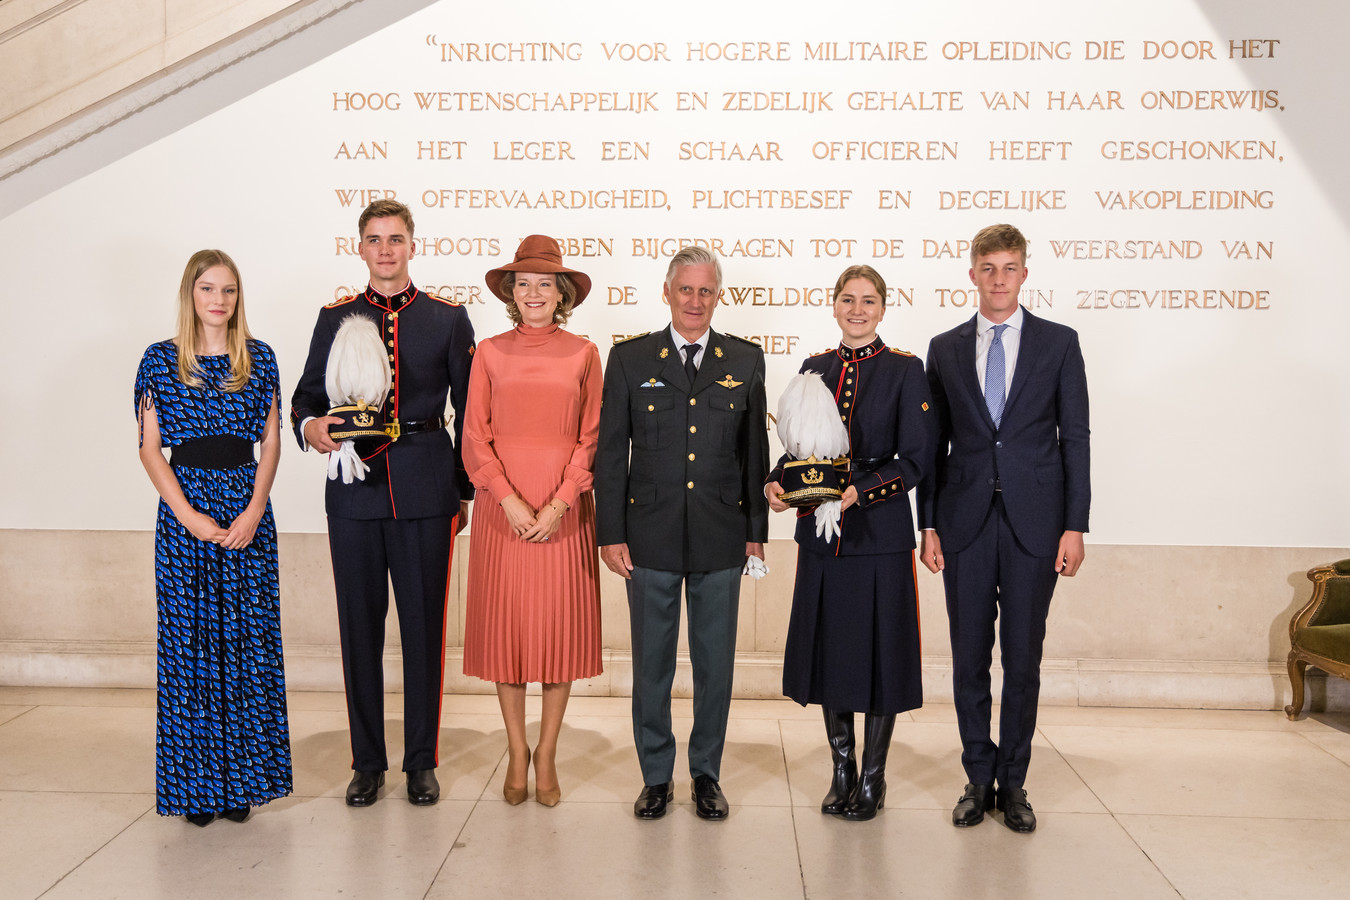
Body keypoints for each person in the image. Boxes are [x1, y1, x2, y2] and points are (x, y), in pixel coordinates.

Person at [290, 199, 475, 807]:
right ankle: (366, 762)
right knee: (359, 630)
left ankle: (421, 761)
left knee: (424, 631)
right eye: (375, 239)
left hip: (425, 489)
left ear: (412, 246)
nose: (386, 249)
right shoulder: (334, 318)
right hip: (354, 494)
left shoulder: (447, 319)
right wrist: (312, 428)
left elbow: (470, 413)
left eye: (396, 238)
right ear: (361, 248)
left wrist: (462, 491)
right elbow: (305, 399)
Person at [917, 223, 1090, 833]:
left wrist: (1075, 525)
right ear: (972, 274)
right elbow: (932, 444)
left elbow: (1076, 437)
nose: (998, 279)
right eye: (988, 268)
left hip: (1035, 526)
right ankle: (977, 776)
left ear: (1024, 273)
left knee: (1022, 660)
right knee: (968, 658)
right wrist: (928, 524)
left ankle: (1013, 782)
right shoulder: (944, 347)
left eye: (1009, 267)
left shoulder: (1059, 343)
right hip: (962, 523)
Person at [595, 246, 769, 821]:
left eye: (706, 291)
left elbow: (753, 453)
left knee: (716, 666)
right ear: (667, 292)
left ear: (718, 296)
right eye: (686, 289)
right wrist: (611, 532)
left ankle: (705, 774)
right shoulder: (629, 358)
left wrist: (756, 532)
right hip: (649, 535)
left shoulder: (744, 359)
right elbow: (610, 453)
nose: (696, 301)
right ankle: (655, 777)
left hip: (721, 535)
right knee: (652, 664)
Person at [765, 264, 934, 821]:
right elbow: (799, 448)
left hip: (879, 533)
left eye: (868, 301)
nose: (857, 310)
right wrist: (775, 481)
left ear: (883, 308)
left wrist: (861, 491)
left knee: (883, 653)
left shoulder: (906, 370)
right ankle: (842, 769)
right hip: (822, 535)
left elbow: (916, 460)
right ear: (834, 304)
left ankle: (873, 778)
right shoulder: (815, 366)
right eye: (848, 299)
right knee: (832, 650)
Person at [135, 249, 292, 827]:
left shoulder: (260, 357)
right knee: (190, 651)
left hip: (248, 511)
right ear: (190, 294)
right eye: (207, 289)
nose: (218, 300)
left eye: (228, 290)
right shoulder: (159, 360)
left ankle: (242, 784)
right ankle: (196, 788)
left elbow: (270, 442)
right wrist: (189, 517)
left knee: (248, 646)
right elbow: (151, 449)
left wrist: (254, 509)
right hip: (185, 517)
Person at [462, 235, 603, 807]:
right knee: (509, 634)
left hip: (564, 508)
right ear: (511, 292)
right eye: (523, 283)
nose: (534, 292)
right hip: (504, 511)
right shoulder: (489, 352)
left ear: (561, 293)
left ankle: (547, 751)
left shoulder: (585, 353)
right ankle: (517, 750)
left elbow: (592, 436)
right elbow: (474, 435)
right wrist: (508, 500)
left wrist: (561, 500)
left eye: (545, 283)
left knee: (557, 633)